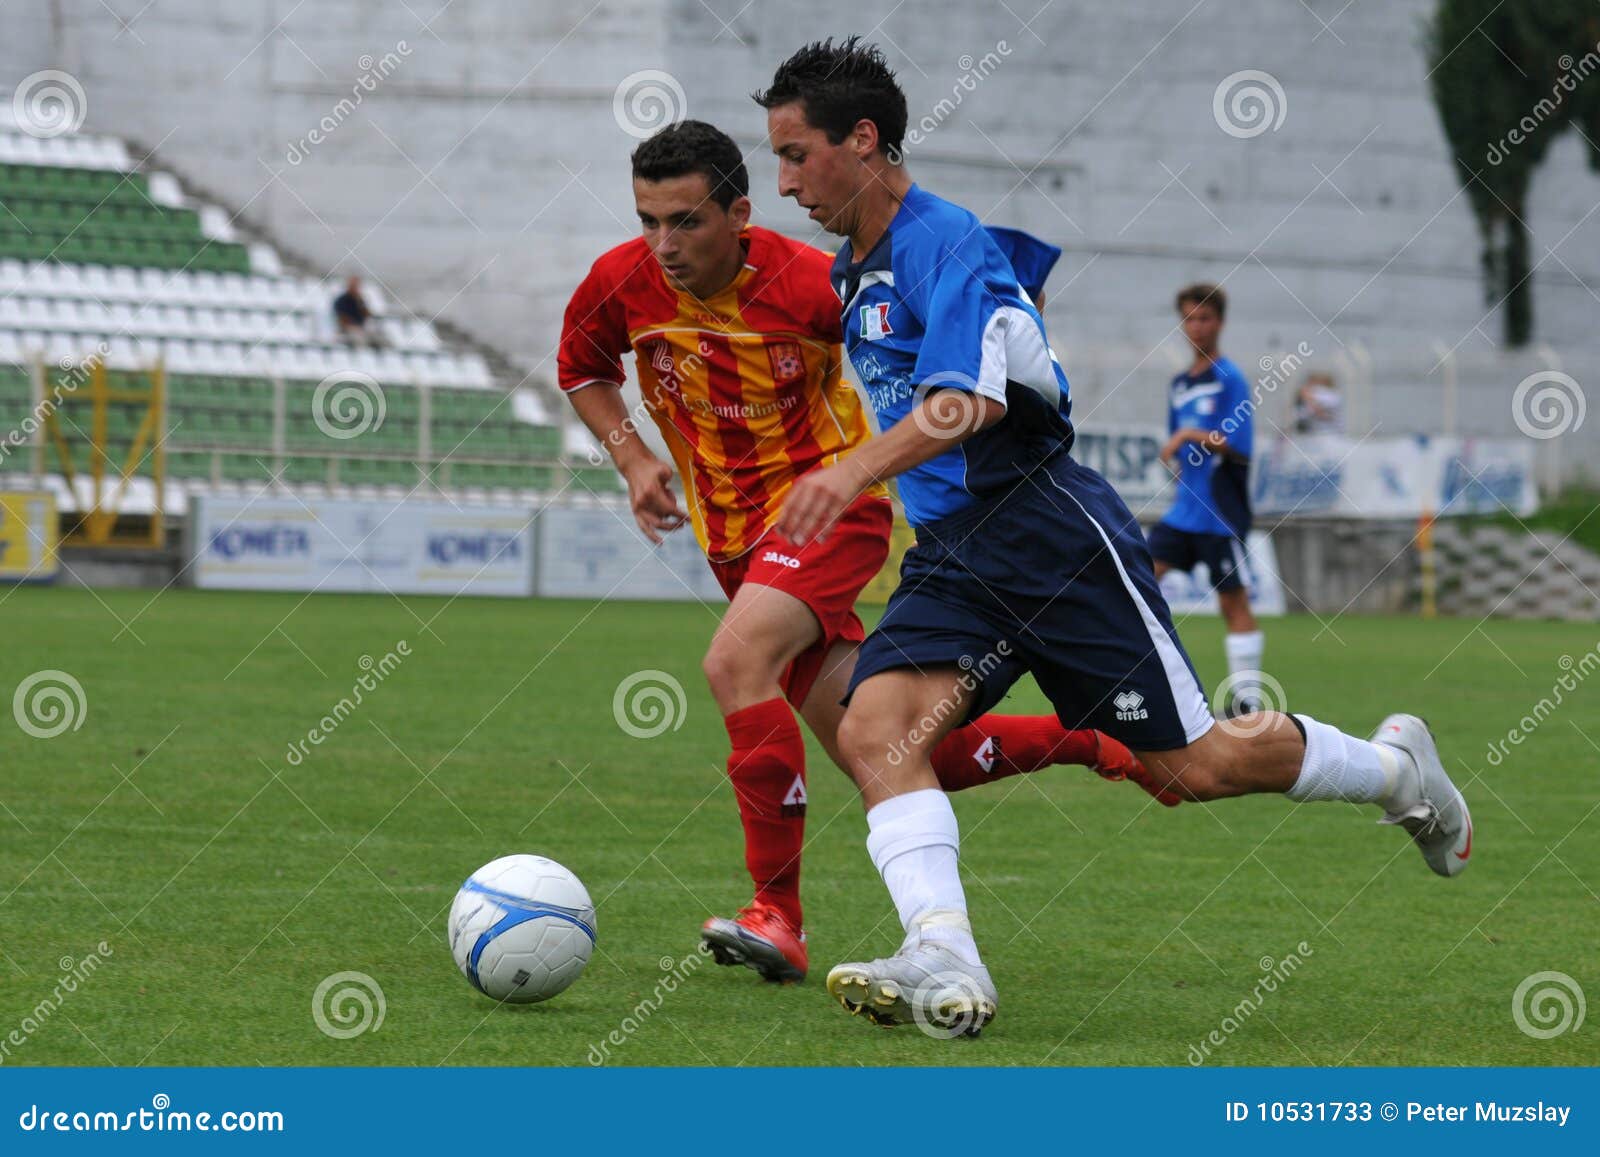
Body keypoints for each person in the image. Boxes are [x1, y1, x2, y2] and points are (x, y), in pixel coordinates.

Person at [756, 37, 1472, 1035]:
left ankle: (1398, 772)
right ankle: (944, 953)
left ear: (864, 140)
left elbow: (966, 404)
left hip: (1052, 537)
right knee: (875, 727)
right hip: (959, 558)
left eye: (796, 155)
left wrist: (845, 471)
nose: (785, 182)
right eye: (776, 160)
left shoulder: (944, 241)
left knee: (1196, 766)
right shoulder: (857, 269)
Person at [556, 120, 1171, 986]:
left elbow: (921, 320)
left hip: (829, 518)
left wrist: (989, 336)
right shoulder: (622, 281)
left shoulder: (811, 283)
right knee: (890, 745)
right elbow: (581, 364)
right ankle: (1095, 741)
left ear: (739, 214)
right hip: (734, 543)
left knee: (734, 665)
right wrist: (630, 456)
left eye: (685, 221)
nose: (663, 244)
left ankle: (778, 914)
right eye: (648, 220)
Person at [1147, 283, 1264, 715]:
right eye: (1189, 319)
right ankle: (1155, 686)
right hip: (1183, 512)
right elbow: (1178, 441)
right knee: (1139, 582)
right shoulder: (1180, 383)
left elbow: (1238, 444)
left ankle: (1249, 701)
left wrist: (1189, 436)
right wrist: (1176, 451)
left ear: (1220, 322)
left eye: (1205, 318)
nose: (1196, 327)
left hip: (1220, 516)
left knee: (1233, 602)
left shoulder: (1229, 378)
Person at [332, 276, 380, 345]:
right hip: (348, 328)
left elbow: (366, 313)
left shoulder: (359, 299)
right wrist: (354, 325)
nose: (356, 288)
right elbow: (342, 317)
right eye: (353, 286)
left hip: (361, 327)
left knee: (376, 336)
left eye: (356, 286)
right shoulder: (341, 300)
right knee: (359, 338)